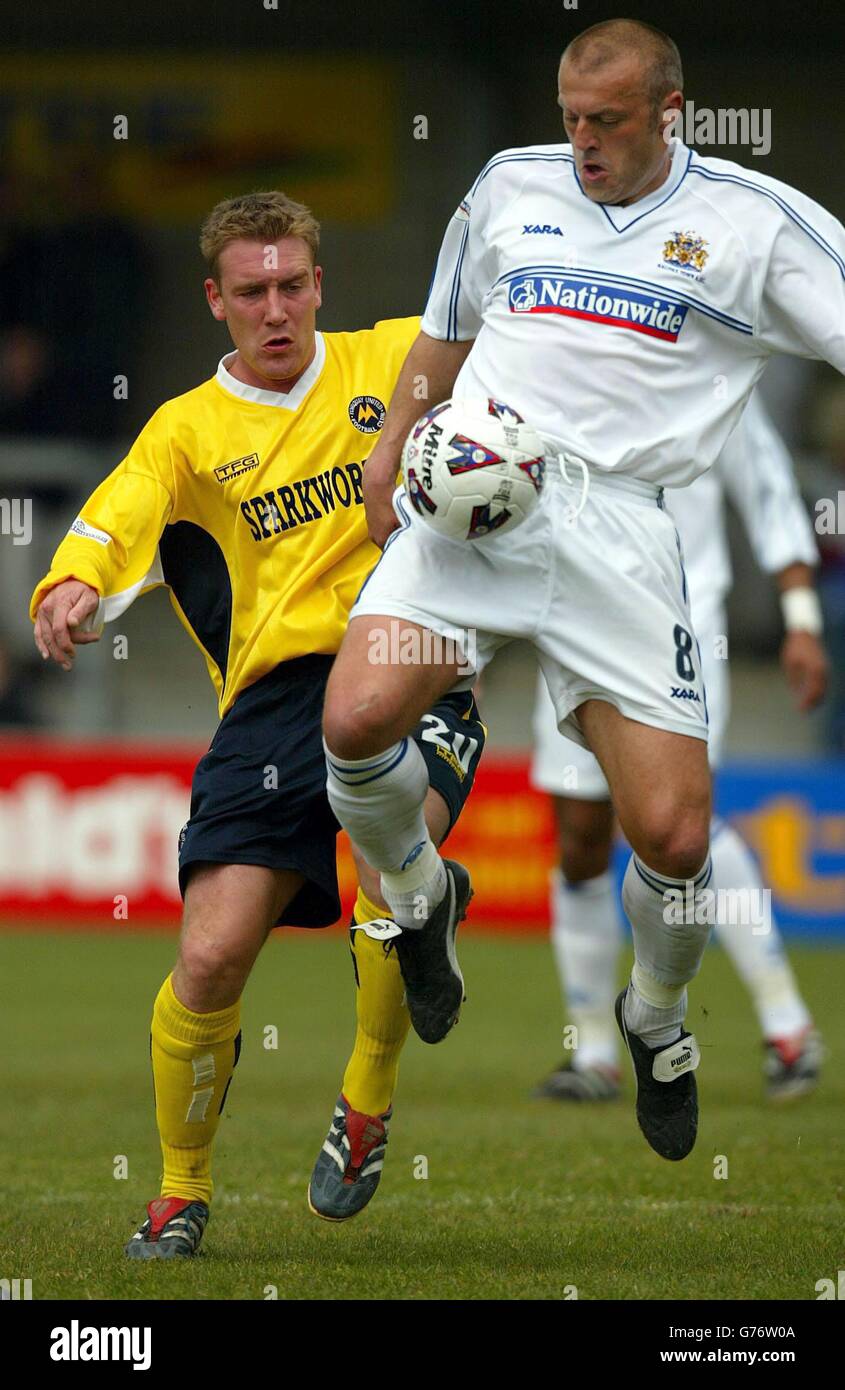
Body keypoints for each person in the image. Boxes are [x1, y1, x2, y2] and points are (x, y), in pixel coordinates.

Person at [321, 18, 845, 1166]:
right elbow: (444, 331)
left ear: (670, 112)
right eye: (569, 118)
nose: (582, 142)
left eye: (605, 122)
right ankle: (420, 895)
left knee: (670, 832)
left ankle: (653, 1019)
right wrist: (392, 439)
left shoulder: (757, 227)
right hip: (474, 509)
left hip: (622, 537)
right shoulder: (509, 185)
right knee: (355, 723)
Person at [30, 191, 485, 1256]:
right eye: (252, 293)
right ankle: (180, 1191)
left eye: (291, 286)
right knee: (209, 958)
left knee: (386, 847)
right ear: (215, 301)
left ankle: (364, 1100)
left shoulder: (390, 363)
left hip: (403, 654)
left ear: (319, 284)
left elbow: (512, 348)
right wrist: (71, 581)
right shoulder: (186, 430)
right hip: (273, 700)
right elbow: (116, 512)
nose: (275, 309)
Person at [531, 390, 827, 1104]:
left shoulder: (709, 360)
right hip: (574, 620)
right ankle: (593, 1051)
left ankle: (785, 1022)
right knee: (579, 831)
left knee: (682, 826)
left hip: (684, 627)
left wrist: (799, 617)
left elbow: (766, 485)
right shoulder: (561, 353)